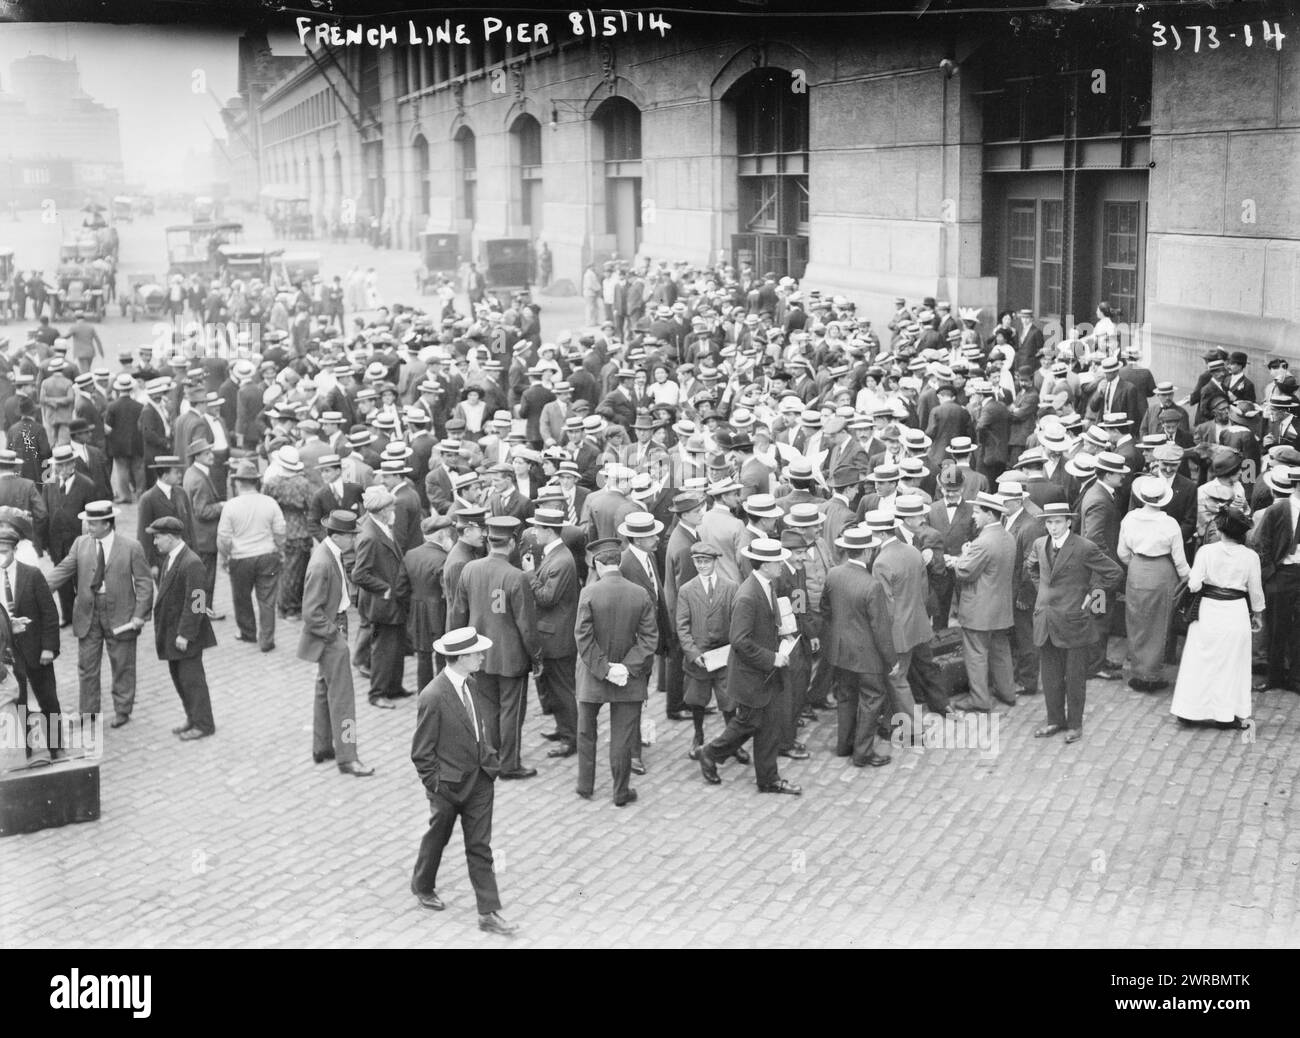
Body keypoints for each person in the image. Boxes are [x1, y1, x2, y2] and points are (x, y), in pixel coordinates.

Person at [410, 625, 518, 936]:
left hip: (480, 781)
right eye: (476, 653)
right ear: (459, 658)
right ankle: (423, 885)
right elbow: (421, 752)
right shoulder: (433, 696)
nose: (482, 657)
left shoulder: (472, 684)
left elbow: (478, 727)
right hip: (448, 788)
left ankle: (489, 913)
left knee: (480, 847)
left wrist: (490, 760)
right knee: (437, 837)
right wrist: (437, 787)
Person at [698, 537, 805, 794]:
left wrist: (782, 635)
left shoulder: (766, 584)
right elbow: (739, 640)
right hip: (752, 675)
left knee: (765, 724)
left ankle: (767, 778)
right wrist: (772, 658)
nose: (782, 564)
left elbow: (765, 625)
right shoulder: (748, 595)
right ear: (765, 565)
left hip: (762, 674)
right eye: (777, 561)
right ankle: (711, 753)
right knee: (748, 723)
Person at [447, 515, 540, 780]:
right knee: (511, 711)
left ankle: (493, 755)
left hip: (477, 654)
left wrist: (458, 651)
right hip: (511, 656)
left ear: (488, 541)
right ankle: (509, 764)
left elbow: (457, 614)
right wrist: (536, 657)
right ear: (511, 543)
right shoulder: (517, 576)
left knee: (488, 709)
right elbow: (527, 626)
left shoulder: (470, 569)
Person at [46, 500, 153, 729]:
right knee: (87, 665)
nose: (88, 528)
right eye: (87, 523)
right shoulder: (80, 544)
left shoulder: (131, 547)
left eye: (93, 524)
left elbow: (144, 583)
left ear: (107, 524)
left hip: (121, 614)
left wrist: (139, 614)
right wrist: (36, 588)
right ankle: (88, 713)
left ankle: (123, 710)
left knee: (122, 663)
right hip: (88, 612)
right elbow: (63, 570)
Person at [1025, 502, 1124, 743]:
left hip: (1074, 622)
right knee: (1050, 677)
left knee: (1075, 677)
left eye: (1058, 522)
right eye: (1049, 522)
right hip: (1046, 620)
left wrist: (1093, 596)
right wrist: (1043, 593)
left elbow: (1113, 572)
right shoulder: (1040, 544)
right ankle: (1054, 721)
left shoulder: (1084, 547)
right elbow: (1031, 568)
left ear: (1069, 522)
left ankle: (1075, 725)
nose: (1053, 527)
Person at [574, 537, 658, 806]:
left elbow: (583, 639)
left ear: (598, 563)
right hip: (629, 677)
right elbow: (649, 639)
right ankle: (620, 791)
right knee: (622, 737)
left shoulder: (588, 593)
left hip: (592, 674)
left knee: (586, 731)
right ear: (619, 562)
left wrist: (604, 669)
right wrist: (626, 667)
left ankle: (585, 784)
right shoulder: (639, 593)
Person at [1170, 506, 1265, 728]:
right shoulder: (1250, 557)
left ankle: (1188, 710)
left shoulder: (1206, 552)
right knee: (1231, 663)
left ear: (1220, 530)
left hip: (1208, 611)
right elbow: (1256, 591)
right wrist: (1257, 614)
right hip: (1235, 612)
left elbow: (1193, 584)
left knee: (1199, 660)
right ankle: (1226, 715)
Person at [298, 509, 373, 776]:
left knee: (323, 690)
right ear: (339, 536)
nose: (354, 540)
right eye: (351, 535)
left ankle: (322, 747)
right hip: (332, 633)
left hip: (333, 628)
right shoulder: (322, 563)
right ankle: (348, 757)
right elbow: (311, 612)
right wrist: (335, 636)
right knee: (343, 700)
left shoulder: (331, 554)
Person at [1117, 475, 1191, 692]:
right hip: (1162, 572)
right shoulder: (1170, 524)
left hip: (1137, 570)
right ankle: (1152, 673)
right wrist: (1189, 578)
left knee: (1136, 621)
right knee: (1159, 624)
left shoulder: (1129, 519)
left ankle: (1138, 672)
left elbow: (1122, 552)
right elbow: (1180, 561)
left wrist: (1136, 564)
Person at [147, 515, 217, 741]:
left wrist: (186, 634)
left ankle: (204, 724)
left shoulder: (191, 563)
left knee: (192, 681)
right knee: (179, 679)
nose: (155, 542)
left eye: (157, 538)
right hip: (173, 634)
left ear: (169, 537)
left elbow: (197, 602)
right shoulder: (170, 558)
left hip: (186, 636)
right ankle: (192, 718)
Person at [947, 492, 1017, 713]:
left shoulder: (982, 542)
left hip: (979, 609)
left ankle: (979, 700)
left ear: (989, 513)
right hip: (1001, 607)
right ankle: (1008, 692)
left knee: (976, 654)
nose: (974, 516)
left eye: (978, 512)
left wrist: (959, 558)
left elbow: (965, 572)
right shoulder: (1007, 536)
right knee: (1000, 650)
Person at [0, 525, 63, 759]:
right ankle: (27, 751)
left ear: (14, 550)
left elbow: (49, 612)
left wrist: (49, 647)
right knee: (20, 703)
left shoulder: (32, 574)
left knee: (48, 699)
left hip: (37, 649)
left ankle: (56, 746)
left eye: (4, 550)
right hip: (9, 653)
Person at [674, 541, 737, 760]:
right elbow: (682, 626)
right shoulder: (687, 590)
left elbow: (736, 620)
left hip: (724, 656)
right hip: (699, 658)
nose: (702, 565)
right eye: (698, 561)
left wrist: (732, 651)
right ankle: (698, 735)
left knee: (729, 702)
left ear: (715, 562)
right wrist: (692, 653)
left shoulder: (730, 587)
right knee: (697, 700)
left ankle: (732, 741)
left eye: (706, 561)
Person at [525, 507, 580, 759]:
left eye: (538, 528)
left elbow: (547, 598)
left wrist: (529, 574)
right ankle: (563, 728)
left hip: (557, 637)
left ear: (549, 530)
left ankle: (571, 738)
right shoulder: (554, 555)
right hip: (551, 634)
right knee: (555, 687)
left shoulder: (561, 560)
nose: (534, 533)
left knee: (562, 689)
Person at [217, 461, 286, 653]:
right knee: (267, 599)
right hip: (267, 555)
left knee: (242, 597)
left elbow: (223, 537)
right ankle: (267, 639)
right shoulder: (269, 502)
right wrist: (280, 548)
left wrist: (225, 557)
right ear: (256, 482)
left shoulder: (231, 506)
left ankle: (247, 632)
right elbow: (280, 529)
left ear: (238, 482)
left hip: (241, 557)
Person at [352, 486, 411, 708]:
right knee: (383, 650)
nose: (394, 509)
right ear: (382, 510)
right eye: (391, 507)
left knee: (395, 646)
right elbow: (359, 574)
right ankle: (377, 693)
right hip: (382, 602)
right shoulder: (370, 536)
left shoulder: (382, 527)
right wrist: (384, 588)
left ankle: (394, 687)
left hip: (392, 600)